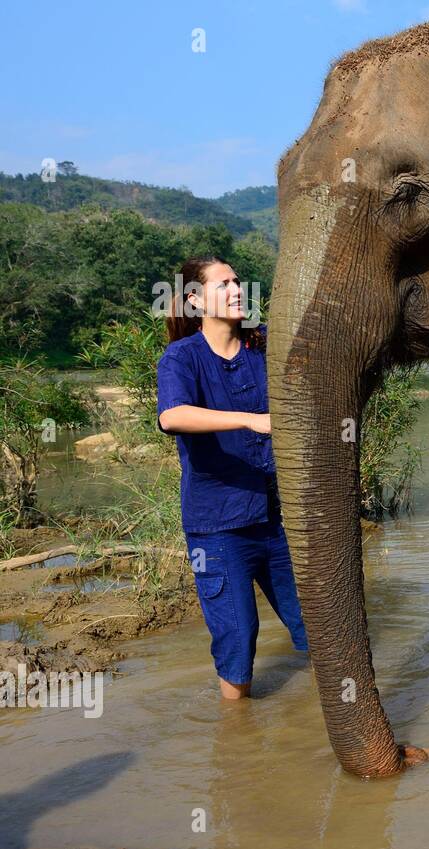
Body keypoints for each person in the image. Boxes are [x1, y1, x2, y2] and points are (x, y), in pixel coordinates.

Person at [156, 255, 309, 700]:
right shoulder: (181, 358)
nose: (238, 290)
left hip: (276, 521)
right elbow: (172, 416)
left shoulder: (261, 352)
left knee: (318, 624)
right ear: (195, 299)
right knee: (238, 639)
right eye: (224, 284)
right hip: (219, 528)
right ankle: (236, 735)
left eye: (238, 282)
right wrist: (249, 420)